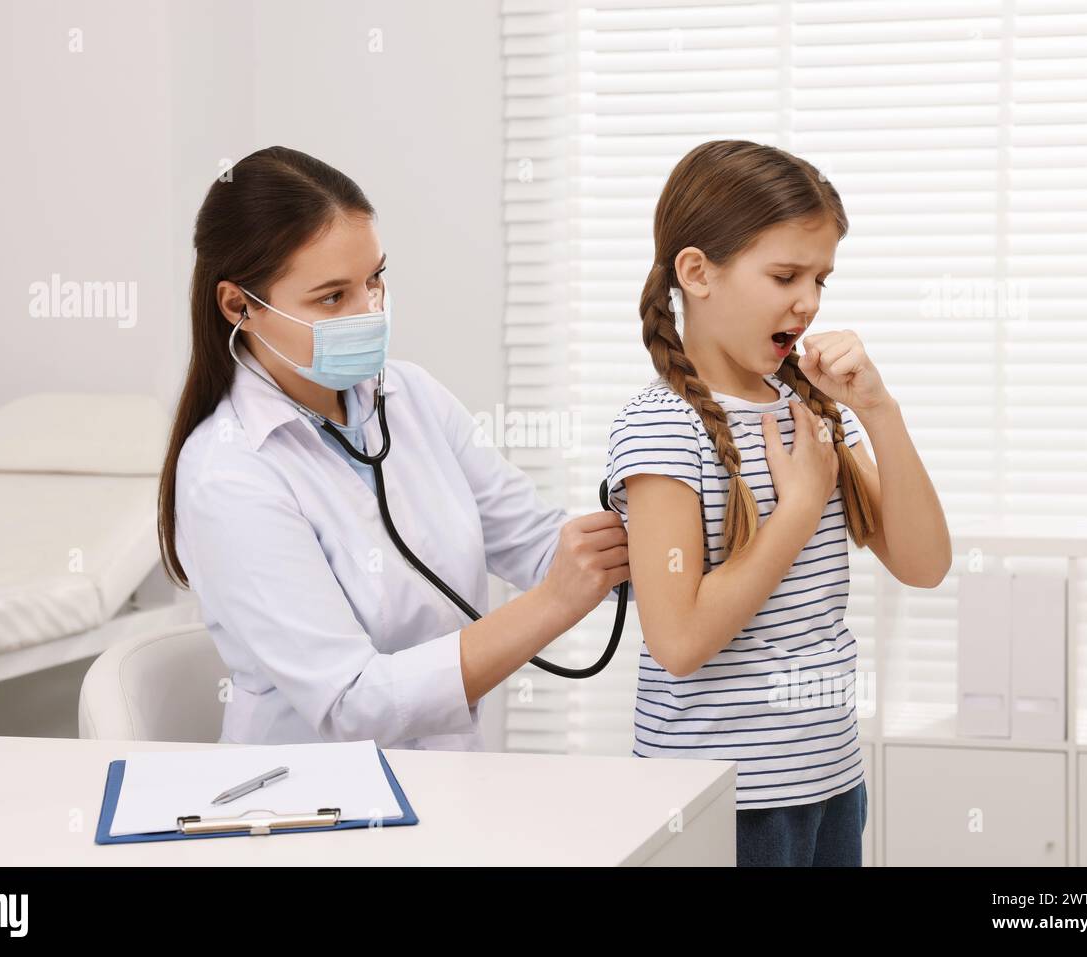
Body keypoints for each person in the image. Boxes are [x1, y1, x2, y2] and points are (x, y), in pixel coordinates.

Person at [158, 146, 629, 749]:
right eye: (332, 297)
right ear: (239, 305)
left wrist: (682, 523)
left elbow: (538, 543)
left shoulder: (408, 396)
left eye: (375, 279)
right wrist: (554, 603)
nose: (369, 311)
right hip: (309, 811)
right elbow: (354, 704)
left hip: (444, 787)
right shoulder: (228, 472)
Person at [604, 140, 951, 866]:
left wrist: (878, 410)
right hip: (726, 802)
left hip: (830, 781)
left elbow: (923, 564)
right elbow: (680, 641)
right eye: (785, 274)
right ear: (697, 272)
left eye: (821, 278)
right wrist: (795, 512)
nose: (810, 301)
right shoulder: (662, 426)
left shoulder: (809, 407)